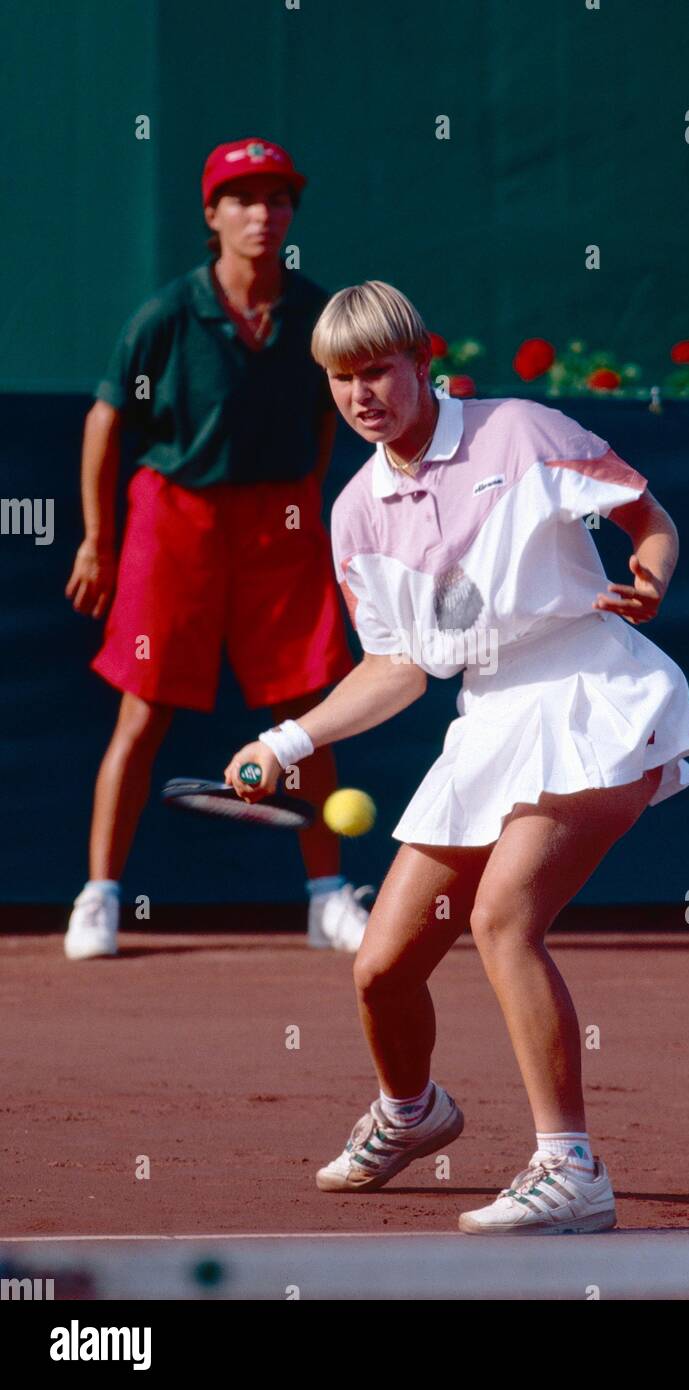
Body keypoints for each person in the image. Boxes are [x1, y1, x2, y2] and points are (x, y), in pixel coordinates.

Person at [223, 280, 689, 1235]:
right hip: (484, 721)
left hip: (592, 693)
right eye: (339, 379)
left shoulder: (520, 430)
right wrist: (286, 739)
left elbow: (650, 520)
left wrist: (646, 579)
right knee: (382, 967)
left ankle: (570, 1169)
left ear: (420, 364)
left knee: (503, 919)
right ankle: (413, 1113)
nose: (362, 395)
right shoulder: (356, 511)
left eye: (377, 372)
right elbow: (397, 668)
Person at [64, 138, 372, 961]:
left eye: (276, 200)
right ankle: (99, 898)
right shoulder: (166, 314)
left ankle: (326, 899)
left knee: (309, 717)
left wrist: (303, 506)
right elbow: (107, 420)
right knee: (144, 711)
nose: (262, 215)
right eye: (242, 200)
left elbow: (325, 418)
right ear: (212, 216)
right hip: (177, 519)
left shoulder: (316, 312)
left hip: (280, 524)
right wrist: (99, 540)